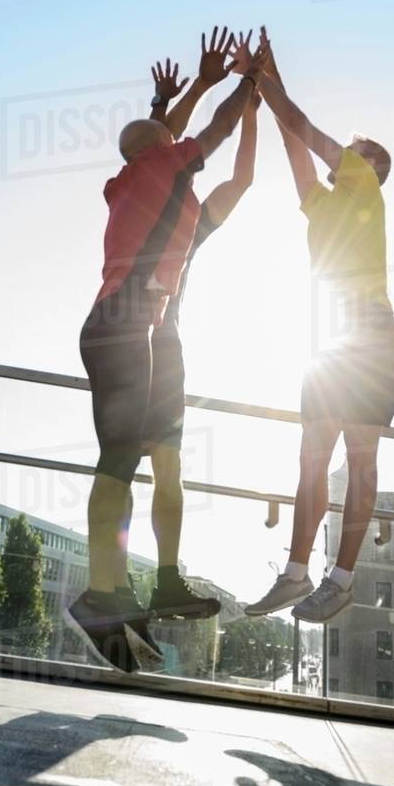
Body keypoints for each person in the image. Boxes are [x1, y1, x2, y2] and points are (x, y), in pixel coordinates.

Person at [66, 32, 268, 672]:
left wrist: (177, 95)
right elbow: (209, 132)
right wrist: (248, 83)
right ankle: (102, 593)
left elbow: (161, 135)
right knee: (121, 459)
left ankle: (124, 590)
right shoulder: (162, 163)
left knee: (134, 459)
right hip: (127, 323)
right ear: (162, 148)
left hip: (123, 323)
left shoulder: (128, 179)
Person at [238, 30, 394, 623]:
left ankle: (343, 577)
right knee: (311, 458)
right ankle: (295, 572)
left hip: (373, 338)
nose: (346, 147)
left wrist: (264, 79)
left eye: (355, 144)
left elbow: (302, 123)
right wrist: (268, 70)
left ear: (368, 163)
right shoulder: (321, 201)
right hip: (334, 341)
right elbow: (294, 137)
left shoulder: (361, 180)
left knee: (359, 459)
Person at [141, 52, 262, 635]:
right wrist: (225, 91)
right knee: (146, 462)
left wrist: (250, 107)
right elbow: (162, 145)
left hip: (157, 342)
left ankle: (160, 583)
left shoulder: (188, 218)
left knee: (161, 464)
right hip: (148, 337)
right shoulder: (149, 183)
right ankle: (134, 585)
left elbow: (240, 181)